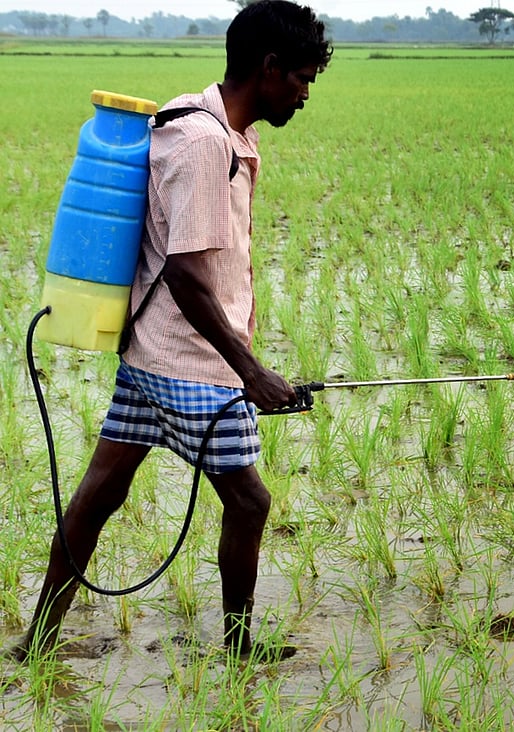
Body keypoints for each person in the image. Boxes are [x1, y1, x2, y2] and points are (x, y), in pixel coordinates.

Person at [9, 0, 332, 663]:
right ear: (268, 68)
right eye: (300, 78)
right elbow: (186, 273)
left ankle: (38, 640)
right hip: (190, 365)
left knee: (100, 492)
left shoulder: (203, 119)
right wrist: (251, 371)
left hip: (151, 353)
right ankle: (241, 651)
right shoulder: (204, 143)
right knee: (249, 500)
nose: (304, 94)